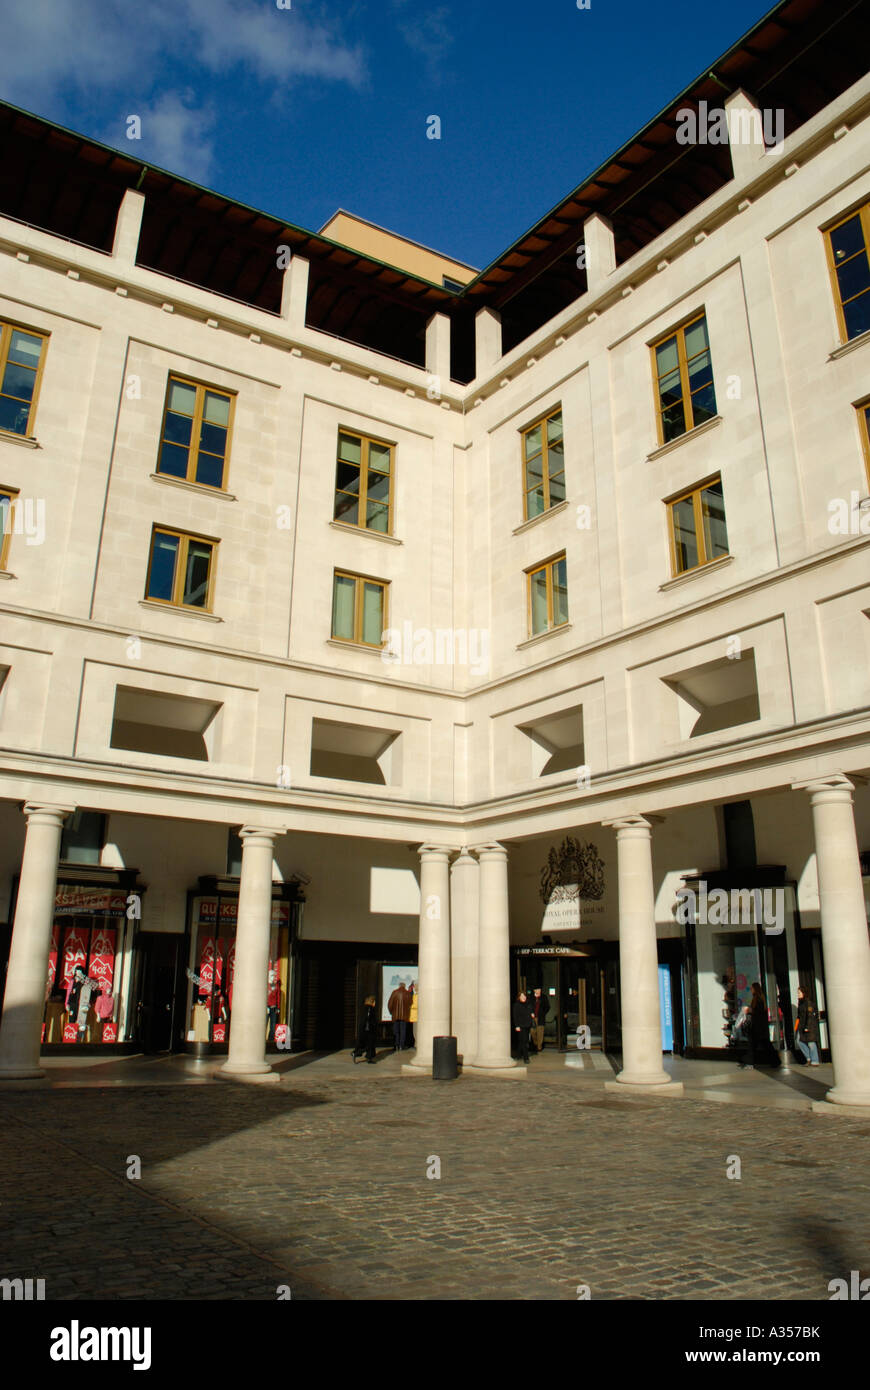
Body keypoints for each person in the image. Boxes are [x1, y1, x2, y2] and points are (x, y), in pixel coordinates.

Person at [749, 982, 780, 1067]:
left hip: (758, 1027)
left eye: (752, 988)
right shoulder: (760, 999)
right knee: (765, 1044)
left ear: (755, 989)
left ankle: (752, 1062)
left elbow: (757, 1012)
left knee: (761, 1045)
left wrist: (750, 1011)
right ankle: (775, 1061)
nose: (751, 990)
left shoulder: (757, 999)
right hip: (761, 1027)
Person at [794, 985, 821, 1065]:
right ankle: (809, 1057)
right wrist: (796, 1026)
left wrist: (807, 1027)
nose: (798, 994)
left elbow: (810, 1015)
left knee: (811, 1042)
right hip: (802, 1026)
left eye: (799, 992)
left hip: (809, 1026)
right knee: (799, 1041)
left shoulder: (808, 1003)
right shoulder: (801, 1003)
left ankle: (815, 1061)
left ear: (804, 993)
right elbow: (799, 1016)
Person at [352, 995, 378, 1063]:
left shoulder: (364, 1008)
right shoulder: (370, 1008)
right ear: (372, 1002)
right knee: (369, 1044)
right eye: (374, 1002)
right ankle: (357, 1053)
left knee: (366, 1044)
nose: (375, 1003)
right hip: (368, 1029)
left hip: (364, 1028)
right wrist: (372, 1025)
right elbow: (368, 1019)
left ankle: (368, 1057)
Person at [388, 981, 411, 1051]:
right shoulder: (407, 993)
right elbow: (410, 1003)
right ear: (404, 986)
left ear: (399, 986)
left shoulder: (394, 992)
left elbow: (390, 1004)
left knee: (396, 1031)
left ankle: (396, 1045)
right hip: (404, 1016)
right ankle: (401, 1045)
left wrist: (391, 1012)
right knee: (403, 1031)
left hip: (395, 1015)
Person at [512, 990, 534, 1064]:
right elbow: (515, 1016)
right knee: (524, 1042)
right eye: (522, 996)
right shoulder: (516, 1005)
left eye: (524, 996)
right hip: (521, 1025)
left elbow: (531, 1011)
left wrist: (532, 1014)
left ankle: (518, 1055)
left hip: (527, 1024)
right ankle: (526, 1058)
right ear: (519, 997)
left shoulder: (529, 1004)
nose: (523, 997)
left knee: (522, 1041)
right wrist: (517, 1026)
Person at [730, 1002, 753, 1068]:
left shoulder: (747, 1017)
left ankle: (746, 1061)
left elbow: (739, 1025)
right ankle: (746, 1060)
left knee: (749, 1048)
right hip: (745, 1035)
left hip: (746, 1035)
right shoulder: (746, 1016)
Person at [529, 986, 550, 1054]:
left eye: (539, 989)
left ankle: (539, 1047)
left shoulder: (544, 997)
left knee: (540, 1032)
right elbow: (528, 1006)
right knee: (533, 1031)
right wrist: (530, 1013)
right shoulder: (531, 997)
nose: (538, 991)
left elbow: (547, 1007)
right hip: (532, 1018)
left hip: (540, 1018)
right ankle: (536, 1043)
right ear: (534, 990)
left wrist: (543, 1013)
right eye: (537, 989)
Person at [407, 982, 417, 1049]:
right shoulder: (412, 995)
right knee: (413, 1032)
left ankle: (415, 1044)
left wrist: (410, 1006)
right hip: (412, 1016)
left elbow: (415, 1005)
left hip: (414, 1016)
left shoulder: (415, 995)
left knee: (414, 1032)